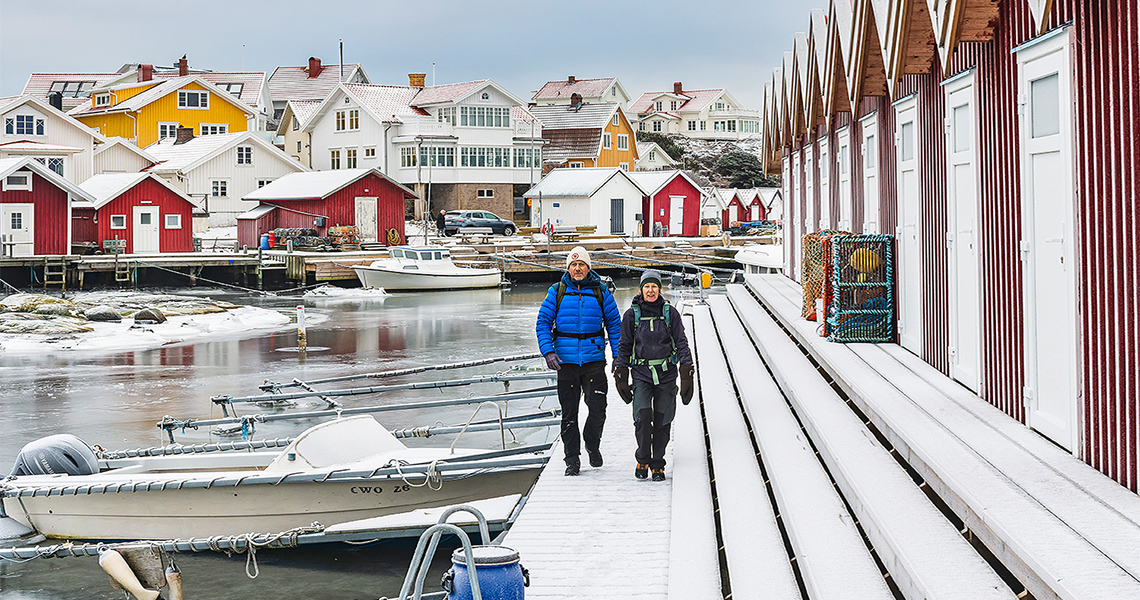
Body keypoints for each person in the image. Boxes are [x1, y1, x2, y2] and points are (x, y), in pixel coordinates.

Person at [536, 247, 622, 476]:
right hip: (565, 362)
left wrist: (618, 356)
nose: (577, 268)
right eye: (573, 265)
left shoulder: (601, 291)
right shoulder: (557, 291)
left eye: (581, 264)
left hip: (594, 360)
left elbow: (615, 325)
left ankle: (592, 443)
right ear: (568, 268)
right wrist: (548, 352)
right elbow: (543, 322)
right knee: (569, 414)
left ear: (588, 267)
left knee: (598, 409)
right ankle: (571, 459)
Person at [614, 270, 694, 482]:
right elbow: (624, 345)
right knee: (642, 419)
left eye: (654, 286)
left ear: (660, 289)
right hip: (641, 374)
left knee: (663, 420)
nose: (650, 291)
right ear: (641, 289)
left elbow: (681, 342)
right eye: (647, 287)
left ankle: (658, 463)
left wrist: (687, 371)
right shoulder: (631, 315)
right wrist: (620, 373)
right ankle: (642, 459)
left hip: (666, 374)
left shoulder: (670, 313)